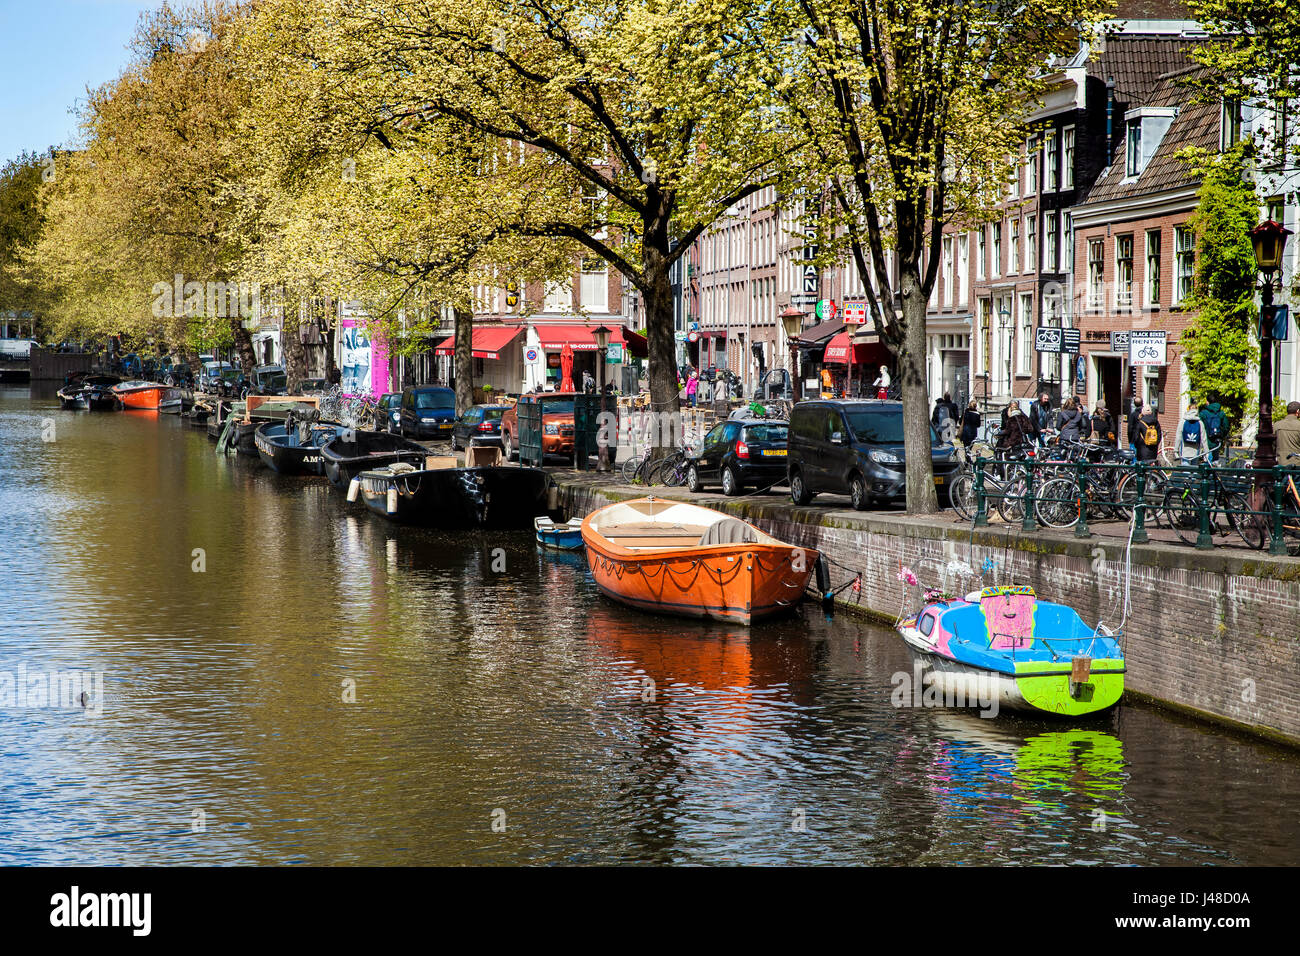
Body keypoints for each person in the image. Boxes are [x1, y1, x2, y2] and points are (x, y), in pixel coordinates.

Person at [1276, 401, 1300, 465]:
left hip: (1280, 463)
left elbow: (1272, 444)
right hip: (1297, 464)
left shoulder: (1277, 425)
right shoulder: (1298, 425)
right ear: (1297, 411)